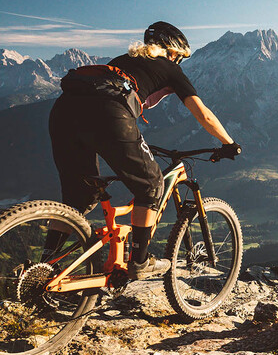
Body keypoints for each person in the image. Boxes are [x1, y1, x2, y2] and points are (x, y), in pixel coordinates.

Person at [47, 21, 241, 279]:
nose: (178, 62)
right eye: (180, 57)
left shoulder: (124, 60)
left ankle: (43, 269)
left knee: (78, 198)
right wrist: (229, 143)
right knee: (151, 184)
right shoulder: (170, 69)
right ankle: (139, 261)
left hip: (62, 113)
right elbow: (203, 114)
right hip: (108, 113)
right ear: (173, 52)